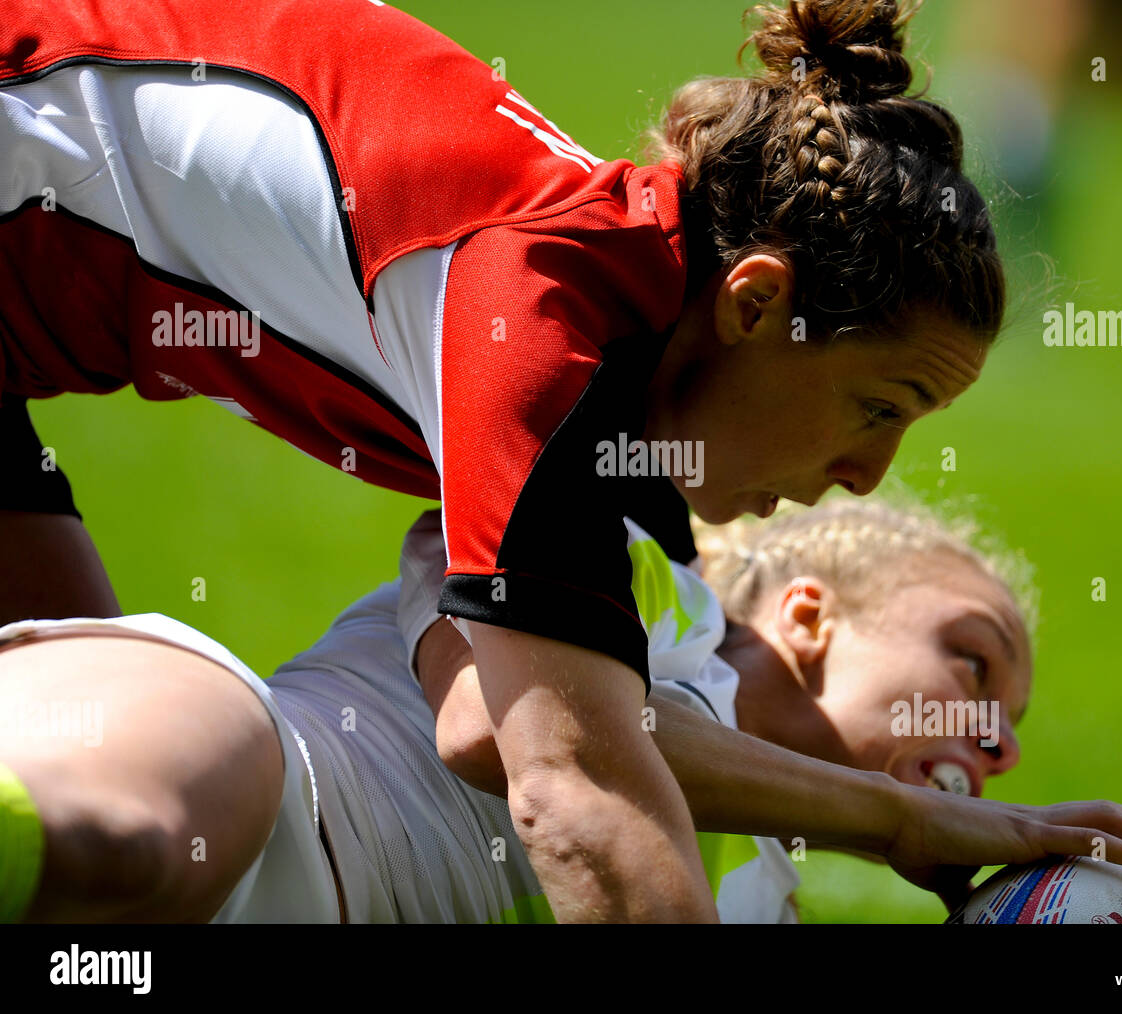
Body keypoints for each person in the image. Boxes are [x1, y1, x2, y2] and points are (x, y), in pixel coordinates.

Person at [1, 0, 1014, 920]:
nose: (870, 474)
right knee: (105, 823)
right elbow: (568, 787)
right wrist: (896, 822)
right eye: (880, 407)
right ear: (755, 305)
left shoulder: (606, 373)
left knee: (75, 771)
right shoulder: (540, 320)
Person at [1, 501, 1122, 922]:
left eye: (1010, 730)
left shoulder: (752, 905)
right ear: (812, 615)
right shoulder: (621, 571)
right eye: (971, 663)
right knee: (129, 840)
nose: (992, 744)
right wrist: (894, 817)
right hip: (231, 766)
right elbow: (566, 737)